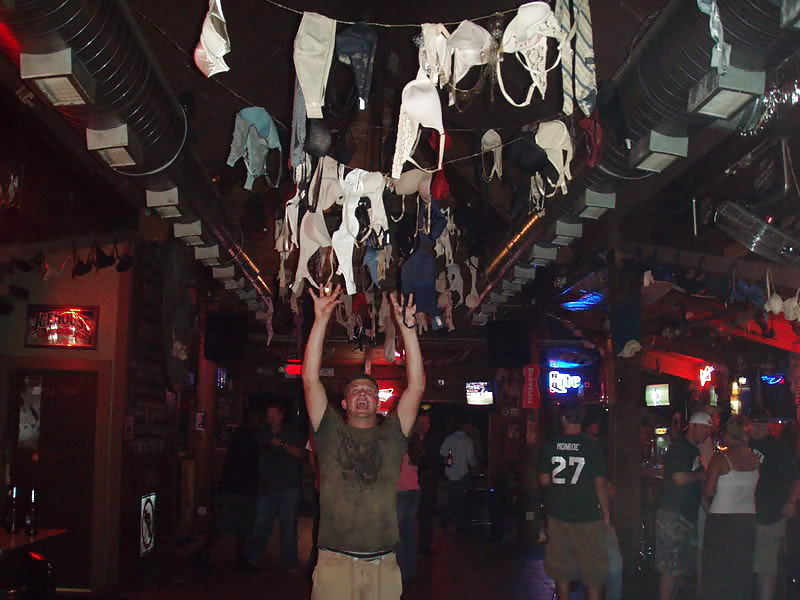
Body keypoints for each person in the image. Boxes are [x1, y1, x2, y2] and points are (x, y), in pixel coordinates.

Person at [302, 285, 425, 600]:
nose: (361, 395)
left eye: (369, 391)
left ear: (378, 403)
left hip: (383, 560)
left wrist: (408, 330)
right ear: (343, 403)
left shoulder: (392, 435)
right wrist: (320, 320)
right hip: (333, 559)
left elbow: (416, 387)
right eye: (355, 390)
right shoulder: (328, 431)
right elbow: (310, 379)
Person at [539, 404, 609, 600]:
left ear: (563, 419)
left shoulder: (551, 445)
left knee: (562, 574)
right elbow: (600, 483)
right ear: (581, 420)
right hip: (587, 517)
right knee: (594, 574)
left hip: (558, 516)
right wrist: (606, 513)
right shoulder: (591, 445)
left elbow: (544, 480)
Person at [193, 404, 262, 571]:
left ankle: (237, 558)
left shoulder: (246, 435)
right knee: (226, 523)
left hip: (238, 487)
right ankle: (205, 553)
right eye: (258, 417)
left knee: (238, 525)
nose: (260, 420)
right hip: (237, 487)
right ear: (251, 418)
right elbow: (244, 463)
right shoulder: (246, 436)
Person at [700, 416, 759, 600]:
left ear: (728, 435)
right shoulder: (754, 459)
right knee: (741, 570)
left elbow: (708, 491)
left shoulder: (720, 459)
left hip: (722, 520)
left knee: (718, 570)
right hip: (747, 520)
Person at [244, 402, 306, 572]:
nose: (271, 418)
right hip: (266, 486)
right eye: (269, 414)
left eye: (274, 414)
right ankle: (252, 558)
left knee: (288, 527)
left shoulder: (292, 433)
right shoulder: (261, 433)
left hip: (289, 486)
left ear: (281, 415)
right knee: (261, 524)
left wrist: (281, 444)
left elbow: (301, 453)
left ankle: (289, 563)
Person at [656, 411, 712, 600]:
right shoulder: (681, 448)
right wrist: (701, 474)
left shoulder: (692, 449)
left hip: (686, 515)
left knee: (679, 567)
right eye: (703, 427)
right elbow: (679, 478)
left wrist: (707, 510)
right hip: (673, 514)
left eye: (709, 429)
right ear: (693, 426)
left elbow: (697, 487)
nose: (707, 432)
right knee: (670, 567)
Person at [748, 408, 800, 600]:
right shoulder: (745, 445)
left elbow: (796, 478)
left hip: (770, 513)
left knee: (766, 563)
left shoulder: (778, 448)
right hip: (747, 513)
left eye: (755, 424)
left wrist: (791, 502)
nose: (752, 428)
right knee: (755, 562)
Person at [584, 412, 621, 600]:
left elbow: (607, 487)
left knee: (612, 565)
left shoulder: (597, 450)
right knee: (611, 565)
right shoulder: (591, 451)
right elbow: (604, 488)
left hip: (592, 516)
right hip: (592, 518)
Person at [440, 419, 477, 533]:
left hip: (450, 475)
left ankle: (449, 526)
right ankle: (461, 528)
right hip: (463, 475)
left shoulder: (449, 439)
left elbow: (442, 453)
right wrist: (476, 467)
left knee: (451, 502)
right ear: (465, 426)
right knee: (462, 504)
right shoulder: (468, 441)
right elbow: (471, 460)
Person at [413, 411, 439, 555]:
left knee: (427, 516)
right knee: (411, 517)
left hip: (427, 483)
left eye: (427, 423)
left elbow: (435, 461)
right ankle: (411, 546)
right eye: (422, 423)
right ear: (416, 424)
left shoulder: (432, 440)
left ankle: (425, 546)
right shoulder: (411, 440)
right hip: (412, 484)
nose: (425, 426)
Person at [396, 439, 422, 582]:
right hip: (414, 490)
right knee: (410, 533)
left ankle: (401, 572)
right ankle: (411, 570)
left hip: (401, 491)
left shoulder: (399, 445)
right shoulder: (414, 445)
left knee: (399, 533)